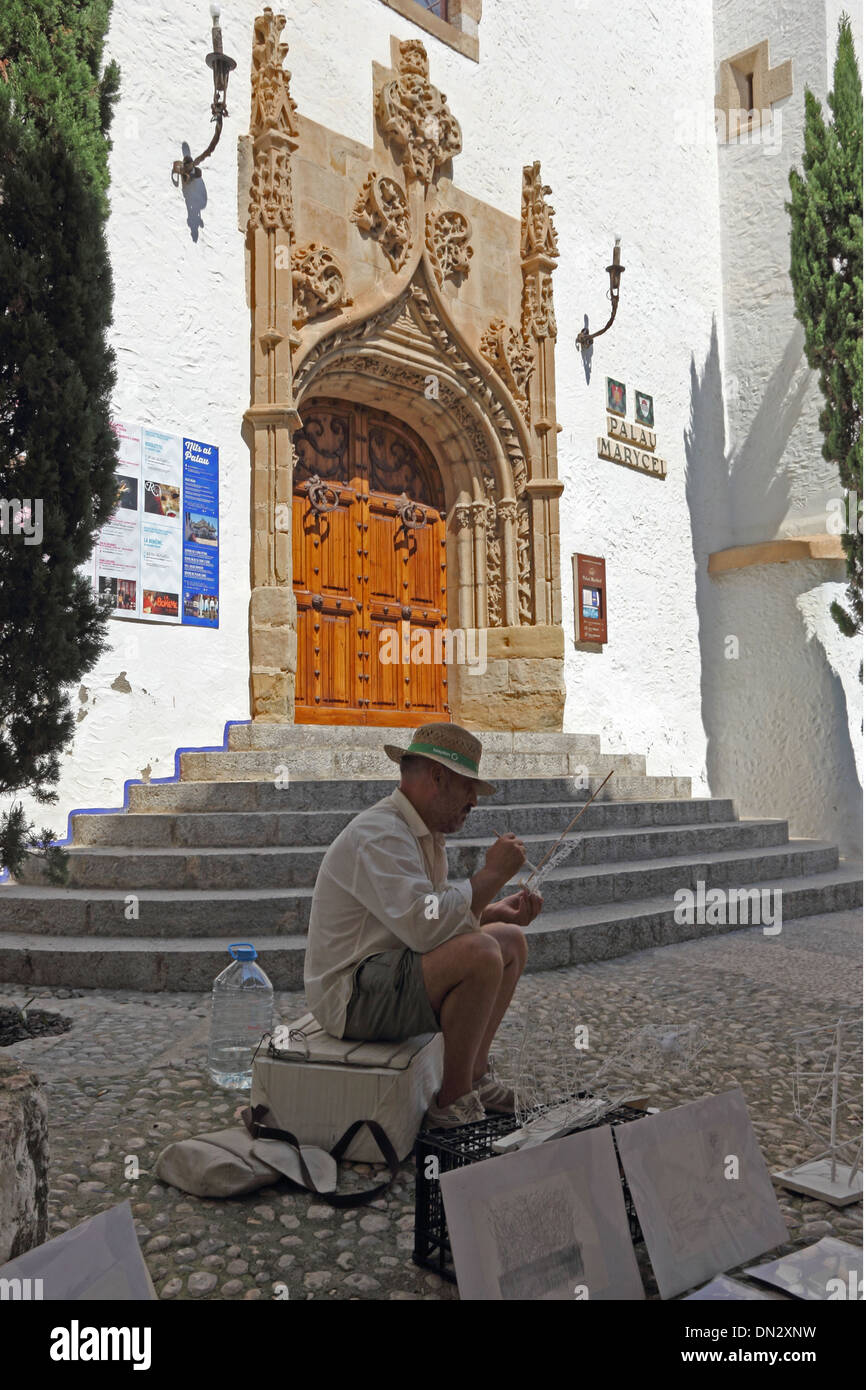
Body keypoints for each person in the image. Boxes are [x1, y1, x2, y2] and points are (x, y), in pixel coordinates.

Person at [304, 724, 544, 1128]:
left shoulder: (423, 834)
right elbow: (423, 928)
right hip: (349, 996)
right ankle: (452, 1102)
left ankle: (475, 1077)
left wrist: (492, 911)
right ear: (437, 778)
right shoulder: (379, 833)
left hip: (388, 971)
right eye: (469, 788)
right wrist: (491, 876)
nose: (474, 802)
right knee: (483, 953)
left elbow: (429, 916)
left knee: (509, 941)